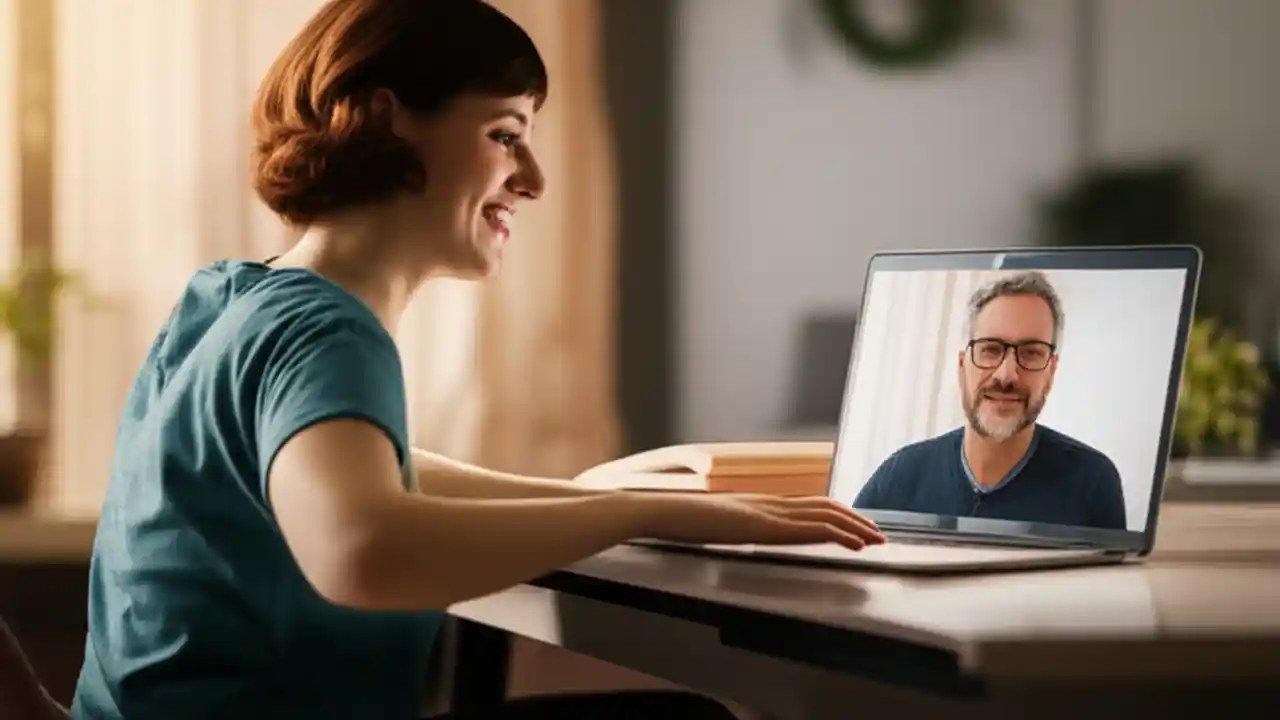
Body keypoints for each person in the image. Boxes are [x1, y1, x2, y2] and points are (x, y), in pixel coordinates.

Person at [69, 2, 885, 718]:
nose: (531, 180)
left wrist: (589, 492)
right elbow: (363, 549)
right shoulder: (331, 329)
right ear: (387, 118)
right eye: (505, 135)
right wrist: (648, 513)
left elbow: (364, 467)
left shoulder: (230, 298)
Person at [854, 271, 1126, 531]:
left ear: (1051, 372)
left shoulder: (1093, 482)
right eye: (990, 350)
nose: (1006, 375)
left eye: (1031, 353)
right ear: (962, 367)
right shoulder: (900, 475)